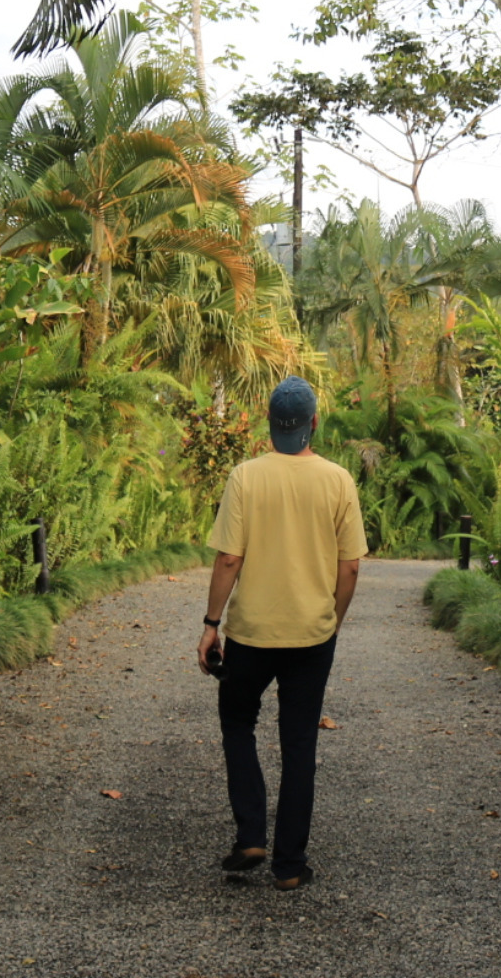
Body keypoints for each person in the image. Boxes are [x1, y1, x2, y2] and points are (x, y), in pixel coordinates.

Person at [198, 375, 368, 891]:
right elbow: (350, 567)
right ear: (314, 422)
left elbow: (230, 558)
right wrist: (331, 621)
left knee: (237, 723)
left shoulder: (245, 477)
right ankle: (290, 865)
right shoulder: (338, 480)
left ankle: (251, 835)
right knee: (299, 744)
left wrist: (211, 625)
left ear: (269, 423)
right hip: (311, 636)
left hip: (251, 634)